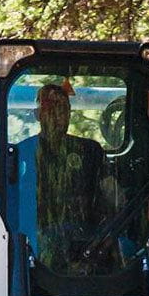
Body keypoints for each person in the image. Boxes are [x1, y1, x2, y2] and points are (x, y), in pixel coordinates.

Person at [31, 83, 106, 274]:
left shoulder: (89, 151)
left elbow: (112, 197)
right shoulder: (25, 153)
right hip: (39, 244)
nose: (58, 117)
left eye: (63, 110)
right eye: (51, 109)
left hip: (89, 243)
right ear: (38, 115)